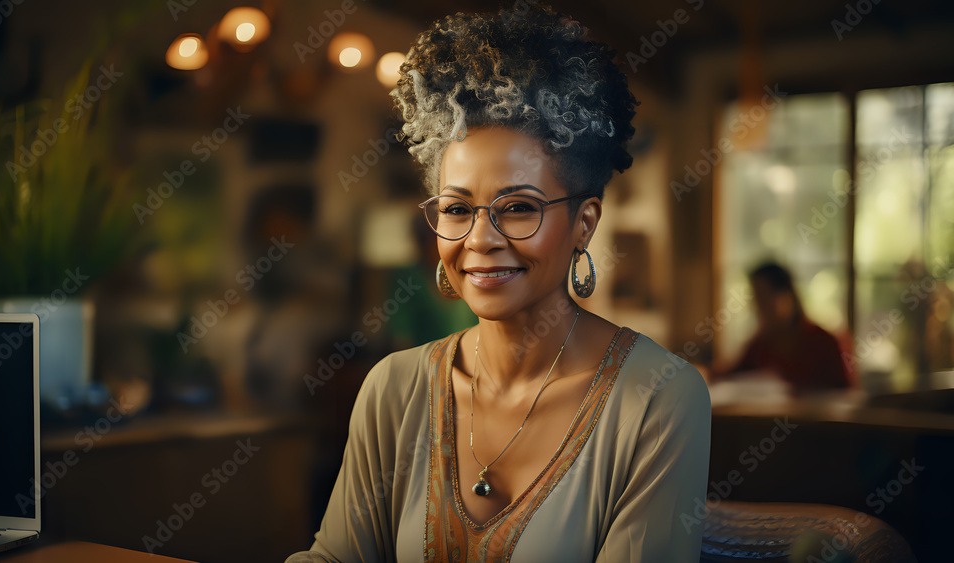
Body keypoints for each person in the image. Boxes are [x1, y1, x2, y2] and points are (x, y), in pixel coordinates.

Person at [286, 5, 710, 562]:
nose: (480, 239)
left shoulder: (657, 399)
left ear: (584, 222)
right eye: (458, 208)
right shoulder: (393, 390)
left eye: (517, 208)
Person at [717, 262, 853, 394]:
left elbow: (846, 394)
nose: (759, 308)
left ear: (787, 296)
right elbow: (729, 374)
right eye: (756, 299)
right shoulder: (760, 344)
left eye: (765, 298)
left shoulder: (824, 342)